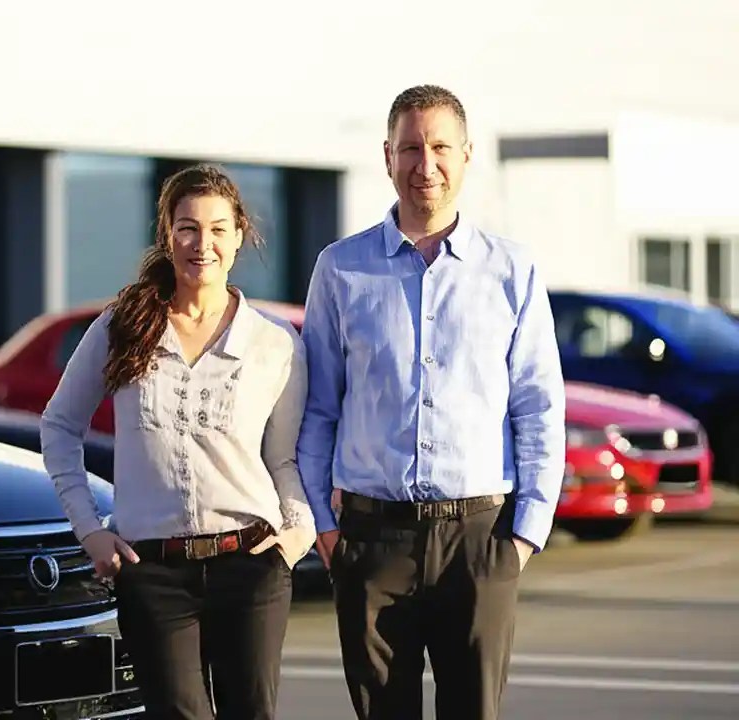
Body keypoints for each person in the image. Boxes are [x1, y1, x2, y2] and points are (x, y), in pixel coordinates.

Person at [297, 84, 566, 720]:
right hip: (372, 542)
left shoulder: (512, 270)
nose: (427, 164)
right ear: (387, 156)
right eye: (411, 148)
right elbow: (318, 411)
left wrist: (524, 535)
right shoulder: (341, 270)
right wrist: (327, 532)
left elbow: (538, 407)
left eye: (441, 147)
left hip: (480, 541)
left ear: (468, 155)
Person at [40, 163, 316, 720]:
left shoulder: (274, 342)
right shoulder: (123, 326)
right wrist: (90, 531)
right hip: (153, 574)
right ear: (167, 233)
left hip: (252, 564)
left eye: (218, 229)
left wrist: (297, 536)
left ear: (240, 236)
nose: (202, 244)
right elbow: (59, 427)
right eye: (188, 227)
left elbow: (283, 458)